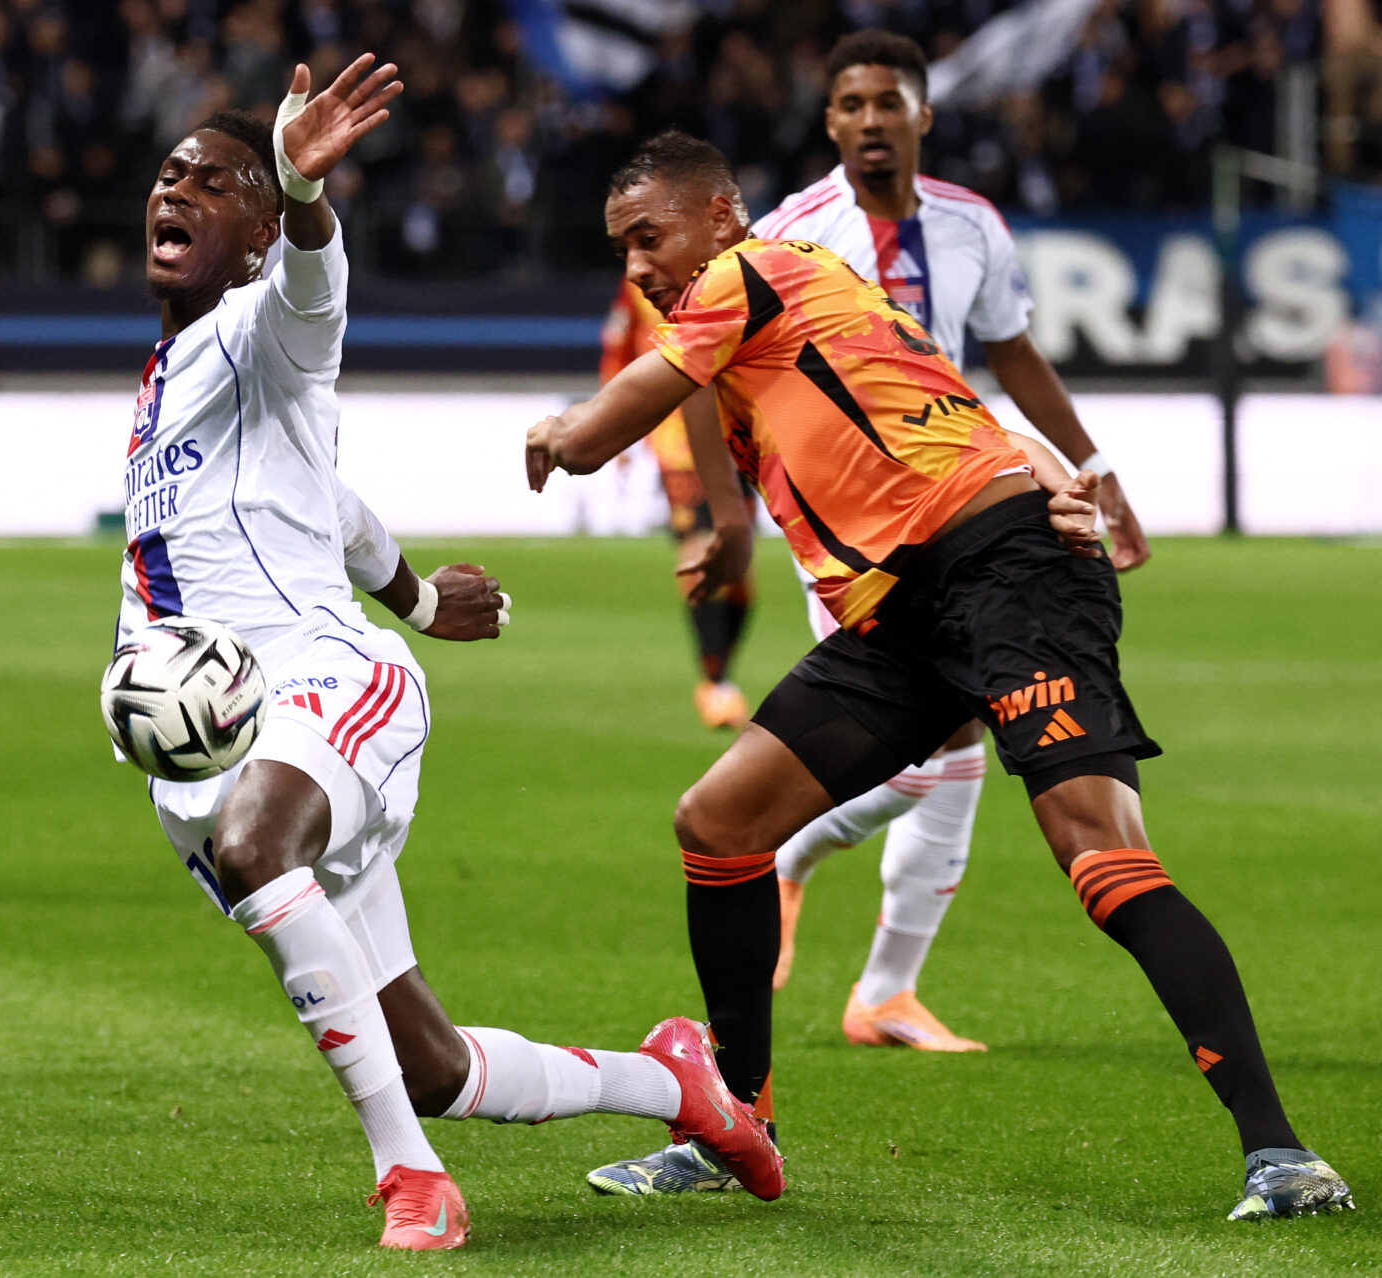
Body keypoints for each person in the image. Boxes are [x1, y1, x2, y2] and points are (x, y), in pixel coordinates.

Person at [527, 130, 1350, 1221]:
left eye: (648, 237)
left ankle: (1282, 1158)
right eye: (619, 247)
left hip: (1006, 574)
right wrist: (730, 532)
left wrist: (558, 430)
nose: (636, 266)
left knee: (1098, 854)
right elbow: (926, 405)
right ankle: (735, 1122)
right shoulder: (783, 306)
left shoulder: (750, 272)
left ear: (720, 216)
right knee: (720, 822)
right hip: (906, 611)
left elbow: (595, 438)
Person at [121, 60, 780, 1253]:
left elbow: (318, 293)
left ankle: (412, 1182)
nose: (177, 190)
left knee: (258, 848)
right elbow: (334, 502)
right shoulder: (170, 383)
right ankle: (680, 1085)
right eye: (170, 176)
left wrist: (305, 191)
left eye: (214, 183)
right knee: (425, 1062)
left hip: (326, 691)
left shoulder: (262, 324)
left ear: (259, 235)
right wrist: (423, 595)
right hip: (227, 746)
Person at [749, 30, 1153, 1063]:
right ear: (830, 120)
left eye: (890, 102)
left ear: (923, 115)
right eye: (851, 105)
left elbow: (1010, 351)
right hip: (853, 522)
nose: (871, 121)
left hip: (972, 510)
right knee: (952, 740)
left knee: (952, 748)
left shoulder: (973, 226)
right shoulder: (795, 232)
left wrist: (1093, 467)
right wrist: (739, 506)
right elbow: (733, 369)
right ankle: (807, 881)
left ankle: (852, 942)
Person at [601, 280, 758, 730]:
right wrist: (614, 424)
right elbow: (618, 349)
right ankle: (718, 683)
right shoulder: (638, 287)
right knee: (698, 550)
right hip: (677, 439)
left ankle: (718, 675)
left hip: (740, 434)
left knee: (741, 578)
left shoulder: (735, 275)